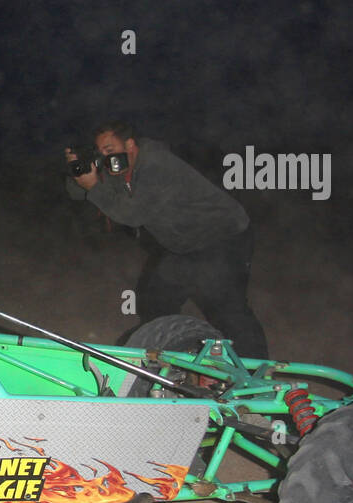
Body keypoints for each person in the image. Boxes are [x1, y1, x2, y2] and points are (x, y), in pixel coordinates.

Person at [65, 121, 269, 359]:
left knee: (227, 310)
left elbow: (131, 214)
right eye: (100, 153)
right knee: (154, 300)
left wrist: (94, 187)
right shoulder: (118, 169)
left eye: (109, 149)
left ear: (130, 144)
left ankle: (256, 371)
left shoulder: (157, 164)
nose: (106, 157)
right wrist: (76, 169)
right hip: (183, 244)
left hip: (222, 237)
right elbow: (78, 192)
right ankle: (167, 353)